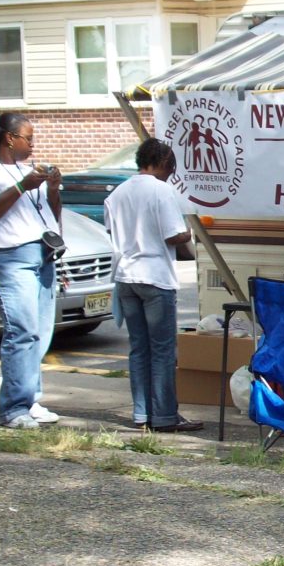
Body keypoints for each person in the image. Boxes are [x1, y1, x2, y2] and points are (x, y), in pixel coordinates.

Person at [0, 113, 63, 428]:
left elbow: (50, 214)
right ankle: (14, 408)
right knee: (21, 331)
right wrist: (22, 186)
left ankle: (30, 398)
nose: (32, 144)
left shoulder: (26, 170)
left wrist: (52, 189)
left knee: (40, 332)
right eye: (28, 138)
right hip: (11, 257)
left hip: (43, 255)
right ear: (9, 138)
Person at [104, 138, 203, 433]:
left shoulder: (118, 193)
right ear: (160, 162)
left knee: (138, 349)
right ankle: (164, 416)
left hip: (125, 276)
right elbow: (173, 236)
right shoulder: (161, 190)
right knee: (162, 350)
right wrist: (191, 232)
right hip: (155, 276)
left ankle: (140, 414)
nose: (172, 172)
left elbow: (113, 232)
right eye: (171, 166)